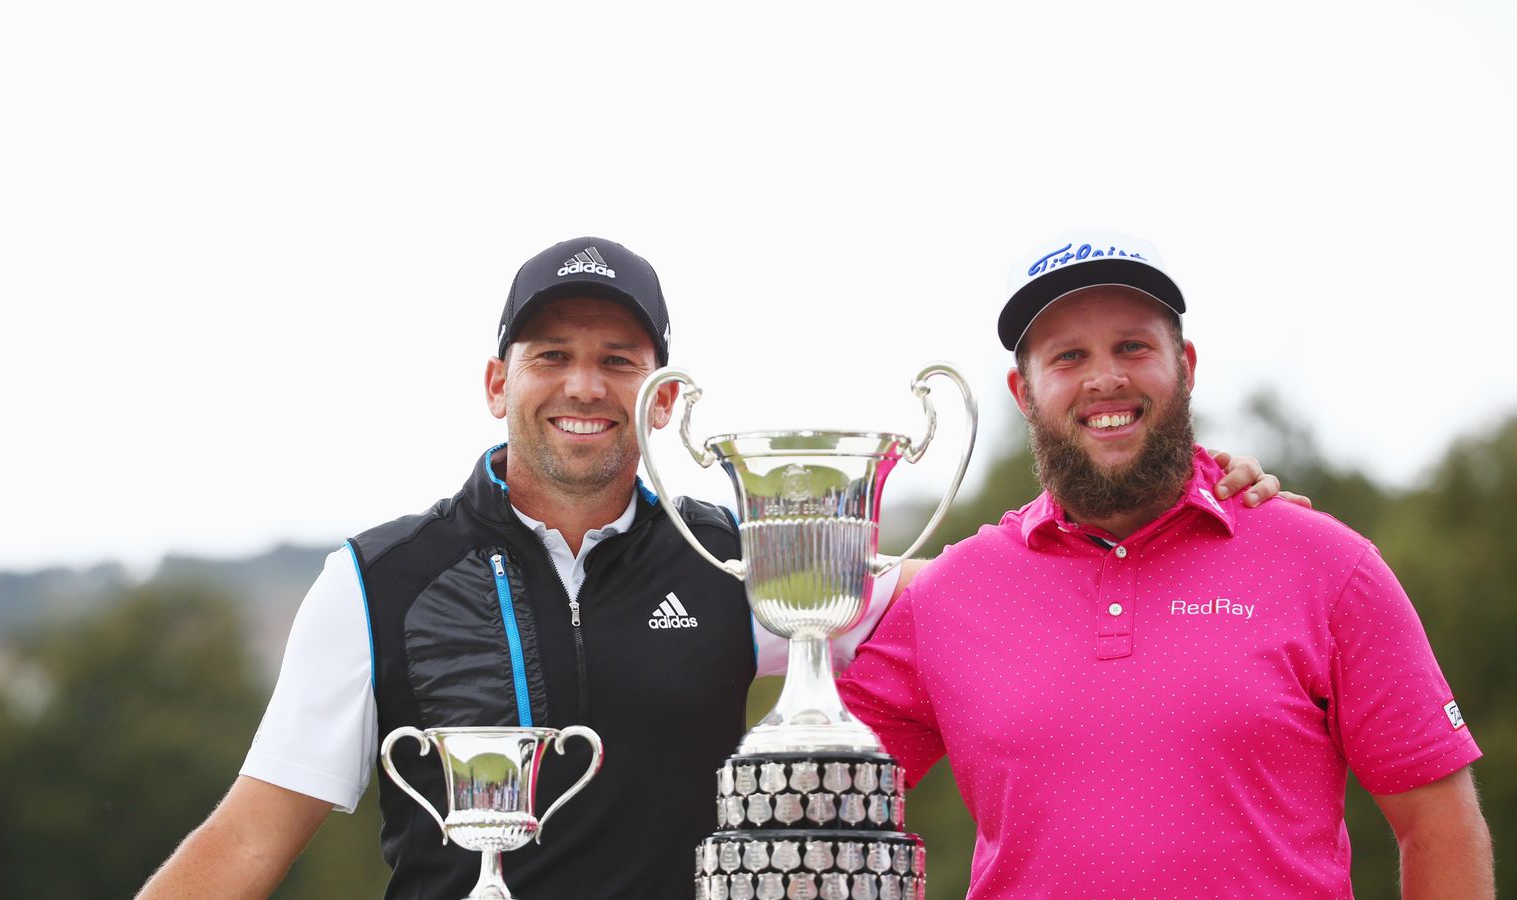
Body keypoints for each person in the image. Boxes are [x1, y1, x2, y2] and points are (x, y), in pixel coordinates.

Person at [136, 236, 1284, 899]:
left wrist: (1171, 486)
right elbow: (246, 838)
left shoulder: (749, 561)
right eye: (553, 357)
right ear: (498, 383)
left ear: (662, 395)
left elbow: (1007, 587)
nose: (584, 386)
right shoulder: (376, 580)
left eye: (617, 361)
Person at [838, 229, 1494, 899]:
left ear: (1185, 365)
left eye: (1133, 346)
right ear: (1023, 391)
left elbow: (1436, 822)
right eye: (1069, 356)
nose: (1106, 378)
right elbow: (821, 804)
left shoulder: (1328, 565)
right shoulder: (947, 596)